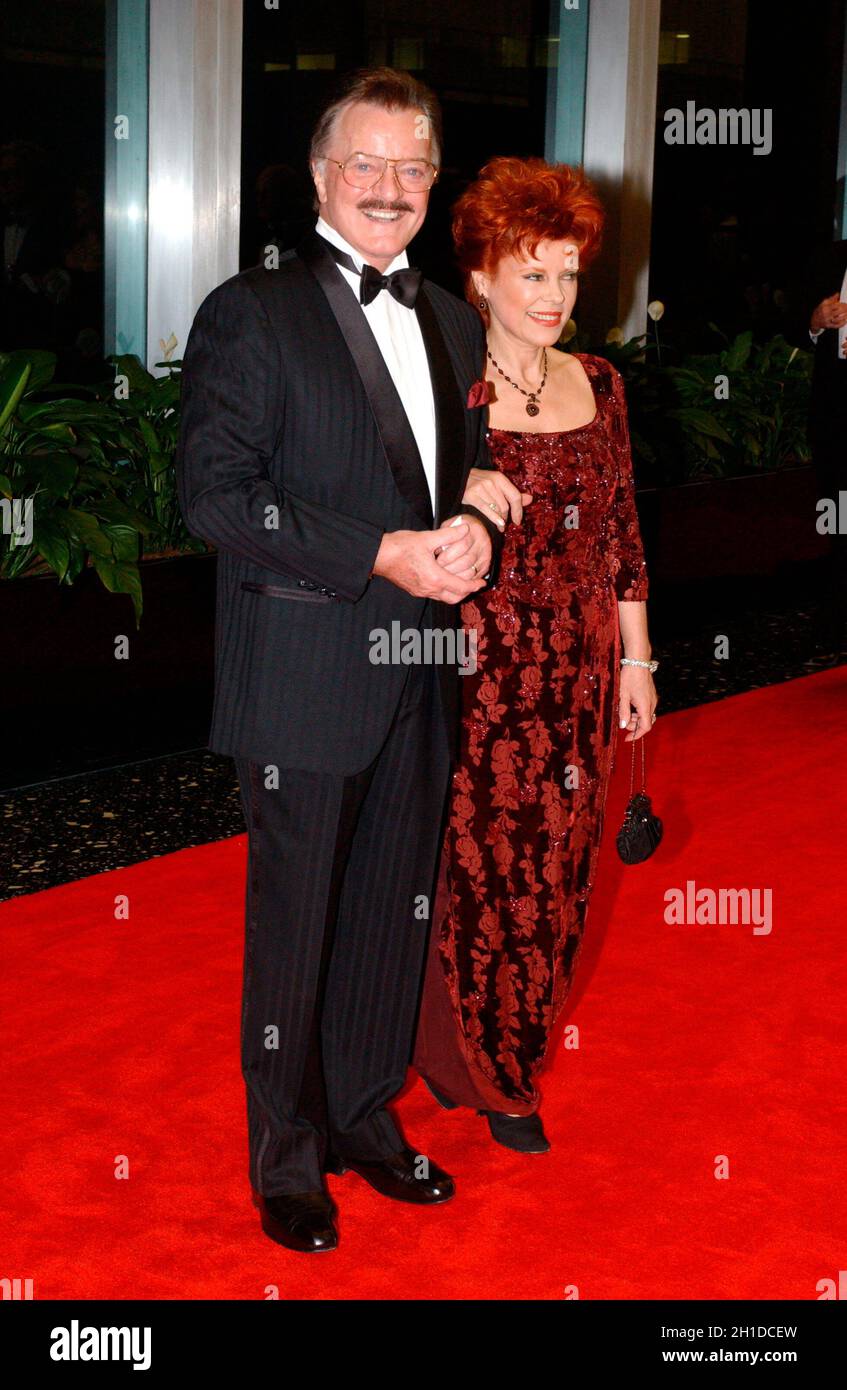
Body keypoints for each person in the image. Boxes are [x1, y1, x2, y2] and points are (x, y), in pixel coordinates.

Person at [176, 68, 503, 1252]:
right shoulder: (251, 311)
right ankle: (285, 1155)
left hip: (418, 665)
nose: (387, 186)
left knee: (387, 913)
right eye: (364, 163)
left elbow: (465, 472)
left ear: (433, 181)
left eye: (411, 166)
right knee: (296, 922)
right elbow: (214, 497)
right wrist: (379, 554)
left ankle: (364, 1115)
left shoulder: (452, 319)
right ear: (321, 177)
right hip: (302, 673)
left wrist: (476, 529)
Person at [414, 157, 658, 1153]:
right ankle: (475, 1065)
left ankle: (510, 1048)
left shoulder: (598, 382)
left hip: (579, 673)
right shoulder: (446, 386)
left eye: (567, 274)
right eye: (532, 273)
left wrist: (636, 662)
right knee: (476, 874)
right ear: (480, 277)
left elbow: (621, 531)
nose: (554, 295)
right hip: (473, 675)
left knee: (557, 872)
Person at [786, 238, 847, 647]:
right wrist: (815, 320)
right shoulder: (831, 257)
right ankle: (837, 612)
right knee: (838, 515)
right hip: (836, 414)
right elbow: (792, 324)